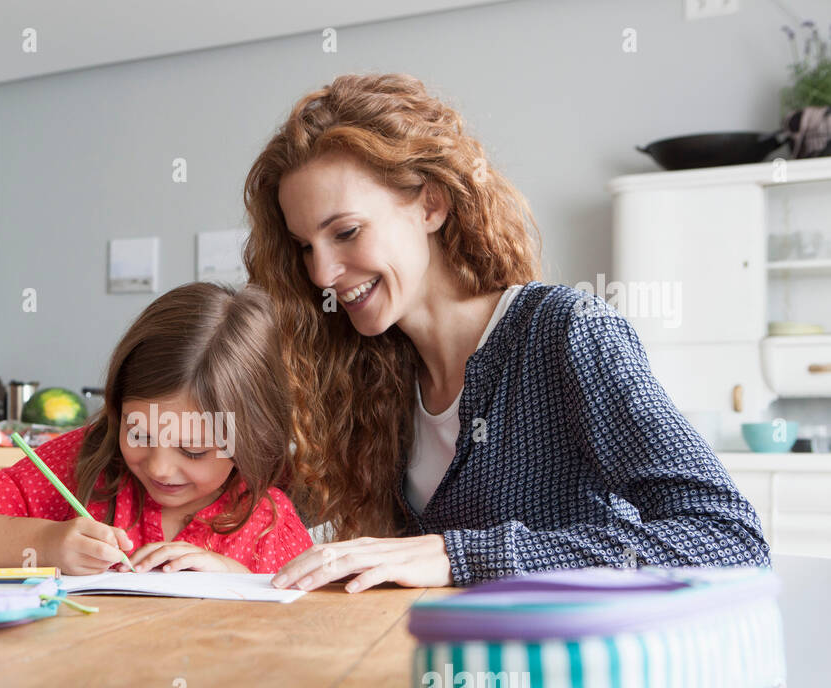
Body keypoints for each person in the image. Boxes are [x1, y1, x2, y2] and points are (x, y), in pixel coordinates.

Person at [237, 73, 769, 592]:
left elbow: (727, 537)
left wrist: (461, 554)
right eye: (306, 246)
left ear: (431, 203)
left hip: (572, 674)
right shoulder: (368, 373)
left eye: (346, 232)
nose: (323, 273)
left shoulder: (567, 333)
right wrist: (226, 565)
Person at [0, 282, 313, 574]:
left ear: (251, 439)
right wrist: (45, 544)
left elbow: (308, 627)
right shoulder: (86, 460)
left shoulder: (270, 523)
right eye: (139, 434)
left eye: (192, 450)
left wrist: (235, 583)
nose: (158, 468)